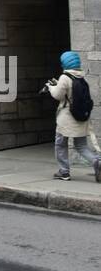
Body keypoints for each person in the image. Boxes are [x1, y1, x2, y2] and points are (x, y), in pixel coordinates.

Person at [46, 51, 101, 182]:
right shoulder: (81, 76)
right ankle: (97, 162)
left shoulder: (65, 77)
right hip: (81, 116)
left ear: (65, 63)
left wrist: (50, 87)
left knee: (60, 144)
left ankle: (64, 172)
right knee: (81, 145)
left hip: (66, 118)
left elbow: (58, 95)